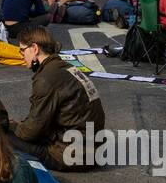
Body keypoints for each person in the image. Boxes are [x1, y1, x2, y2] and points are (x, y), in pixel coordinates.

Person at [9, 24, 106, 170]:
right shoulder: (65, 67)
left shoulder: (46, 77)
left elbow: (32, 131)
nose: (21, 55)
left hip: (72, 155)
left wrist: (13, 126)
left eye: (22, 50)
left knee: (1, 136)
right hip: (95, 148)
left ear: (34, 48)